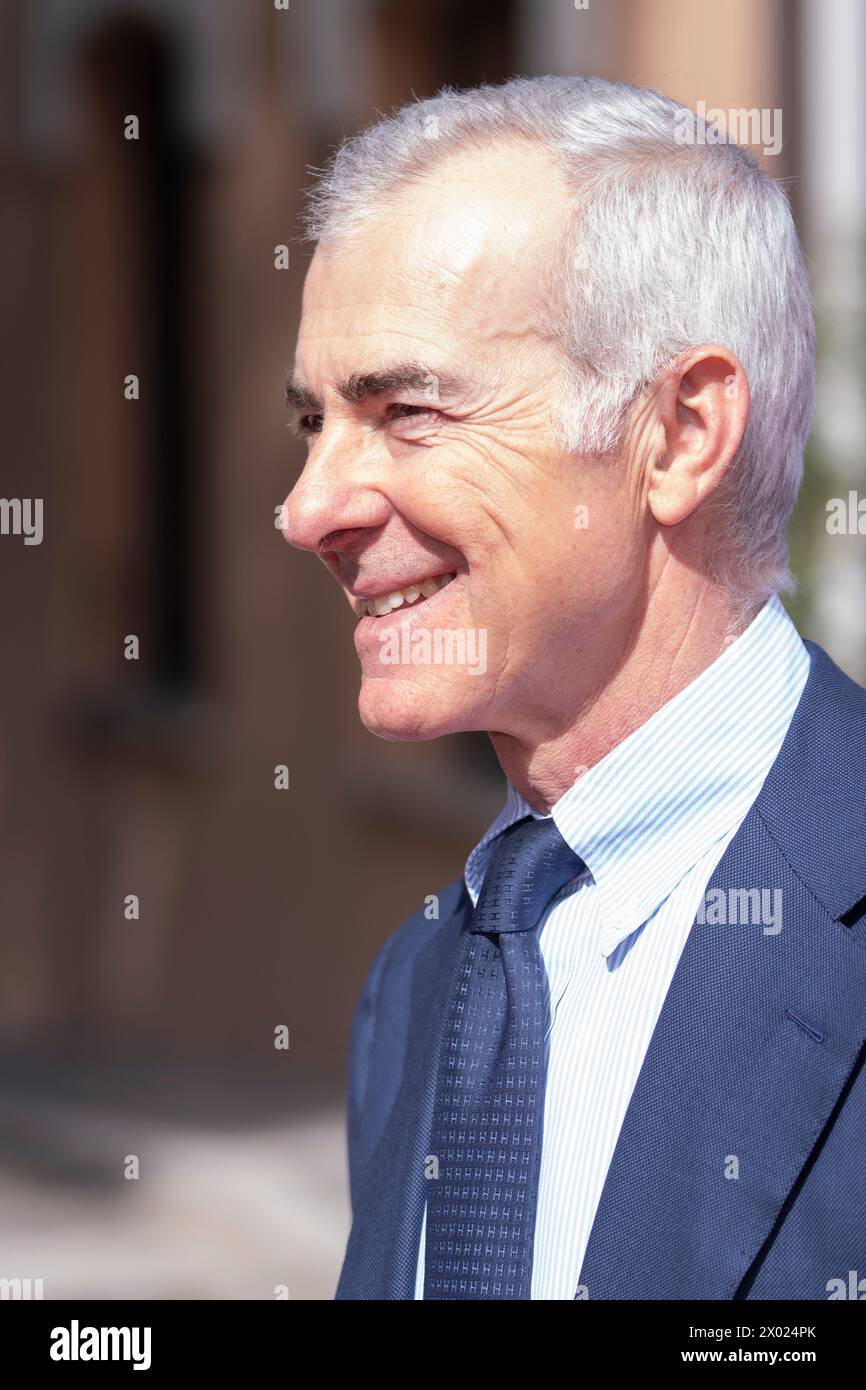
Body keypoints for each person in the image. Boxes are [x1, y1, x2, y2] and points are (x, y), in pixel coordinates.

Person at [281, 76, 866, 1300]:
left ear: (679, 434)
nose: (308, 507)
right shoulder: (419, 982)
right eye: (312, 424)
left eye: (407, 411)